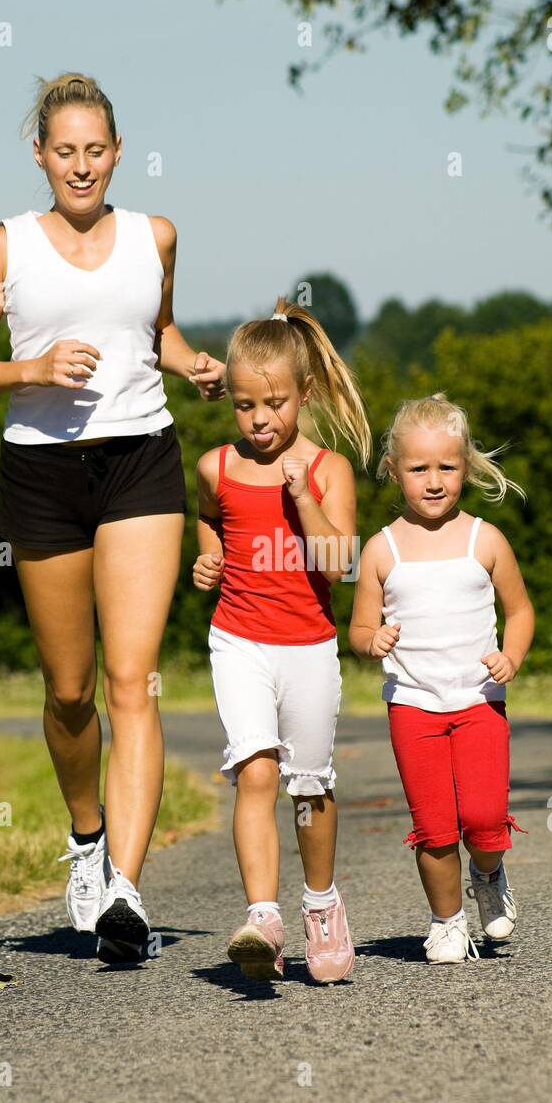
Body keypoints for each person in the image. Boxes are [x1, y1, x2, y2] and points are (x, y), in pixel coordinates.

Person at [0, 72, 225, 963]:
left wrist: (191, 365)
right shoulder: (6, 246)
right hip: (40, 473)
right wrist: (31, 368)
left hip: (142, 459)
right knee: (69, 690)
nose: (80, 165)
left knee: (130, 681)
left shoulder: (156, 236)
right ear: (39, 155)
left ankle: (127, 894)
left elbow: (159, 332)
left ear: (116, 151)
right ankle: (86, 837)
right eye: (62, 150)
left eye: (94, 150)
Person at [193, 298, 371, 983]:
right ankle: (263, 917)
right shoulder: (217, 467)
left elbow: (337, 562)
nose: (259, 419)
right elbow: (208, 518)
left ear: (304, 393)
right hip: (239, 641)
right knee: (255, 771)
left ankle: (321, 906)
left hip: (307, 647)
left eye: (272, 403)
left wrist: (302, 497)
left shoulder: (328, 471)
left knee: (308, 789)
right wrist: (206, 556)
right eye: (243, 406)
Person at [349, 393, 535, 964]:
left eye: (447, 467)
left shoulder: (486, 540)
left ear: (467, 467)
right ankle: (447, 922)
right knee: (434, 828)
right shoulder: (381, 550)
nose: (434, 481)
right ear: (393, 471)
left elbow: (521, 611)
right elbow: (356, 628)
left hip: (479, 701)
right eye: (419, 468)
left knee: (481, 819)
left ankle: (490, 872)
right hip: (412, 704)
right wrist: (369, 640)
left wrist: (511, 656)